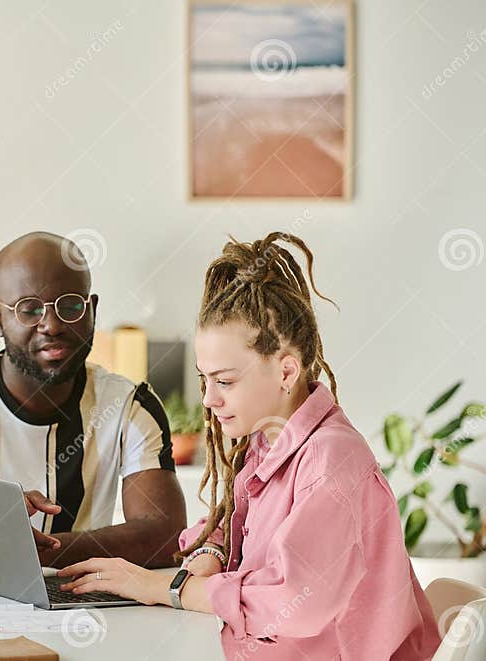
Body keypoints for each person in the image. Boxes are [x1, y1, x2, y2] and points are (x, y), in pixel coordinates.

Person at [57, 232, 441, 660]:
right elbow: (235, 527)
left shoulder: (330, 461)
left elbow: (291, 602)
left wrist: (165, 586)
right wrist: (210, 549)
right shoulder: (267, 441)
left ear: (286, 370)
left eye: (225, 381)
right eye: (205, 380)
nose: (208, 399)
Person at [0, 231, 186, 573]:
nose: (52, 325)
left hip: (78, 606)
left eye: (71, 306)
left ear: (92, 310)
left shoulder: (129, 405)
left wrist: (28, 549)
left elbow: (166, 536)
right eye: (29, 309)